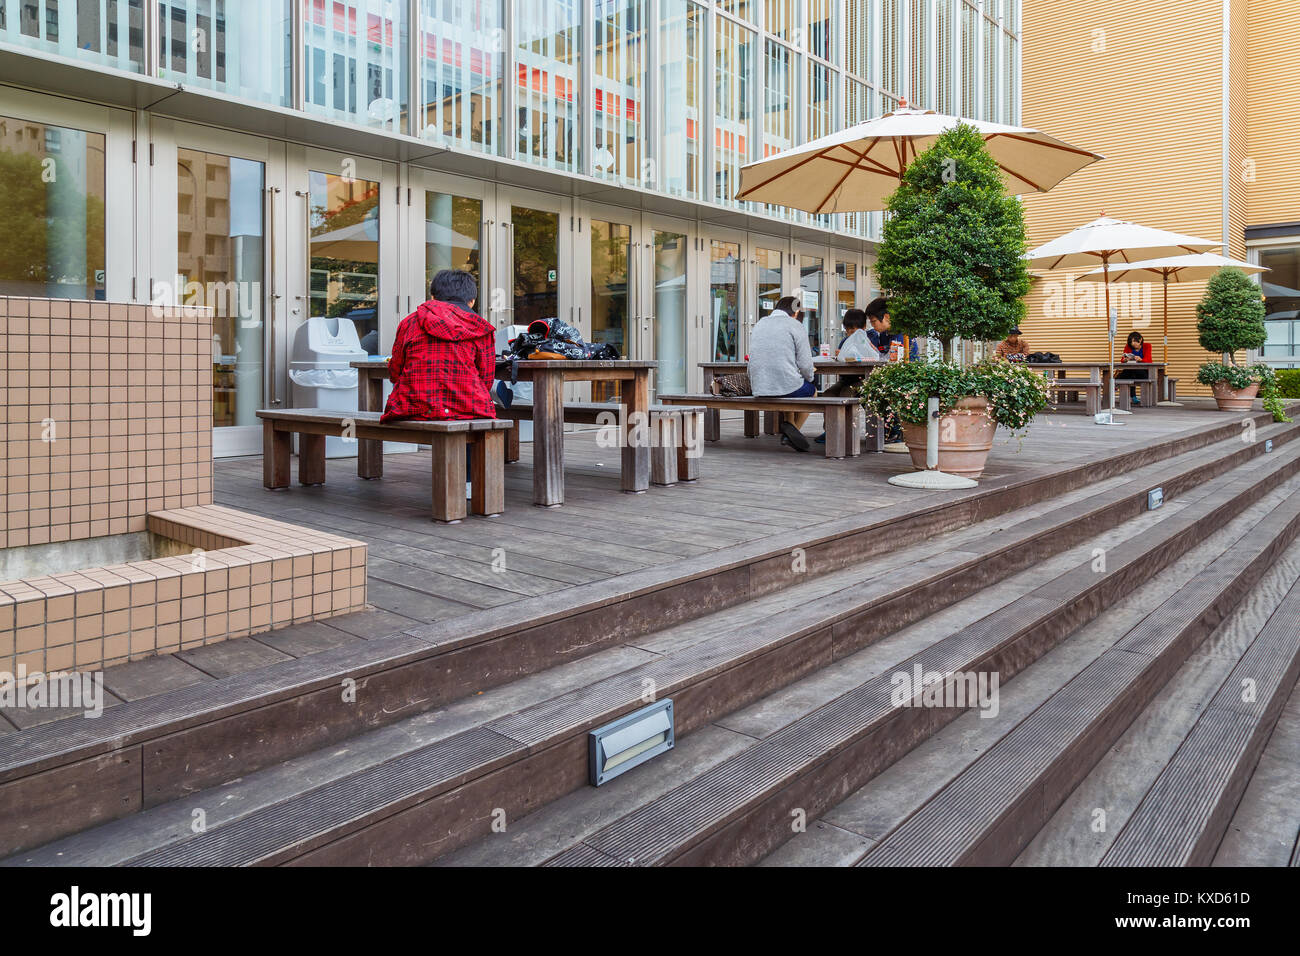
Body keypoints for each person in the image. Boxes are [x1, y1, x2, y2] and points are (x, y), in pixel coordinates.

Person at [383, 269, 495, 495]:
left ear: (433, 296)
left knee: (459, 408)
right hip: (466, 406)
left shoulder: (409, 322)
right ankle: (469, 485)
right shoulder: (481, 328)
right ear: (471, 301)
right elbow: (486, 379)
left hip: (412, 407)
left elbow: (395, 371)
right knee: (473, 409)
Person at [748, 294, 816, 451]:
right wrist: (810, 377)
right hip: (785, 386)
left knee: (789, 384)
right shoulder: (795, 325)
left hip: (759, 386)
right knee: (811, 392)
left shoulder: (760, 323)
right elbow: (805, 363)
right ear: (797, 312)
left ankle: (790, 428)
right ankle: (793, 432)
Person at [1116, 330, 1151, 406]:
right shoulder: (1128, 347)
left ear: (1140, 339)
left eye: (1135, 341)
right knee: (1130, 372)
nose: (1133, 344)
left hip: (1144, 372)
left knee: (1128, 372)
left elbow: (1149, 359)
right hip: (1131, 372)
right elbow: (1122, 359)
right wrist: (1125, 360)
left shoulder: (1147, 346)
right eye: (1131, 342)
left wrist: (1141, 359)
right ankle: (1133, 397)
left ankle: (1116, 382)